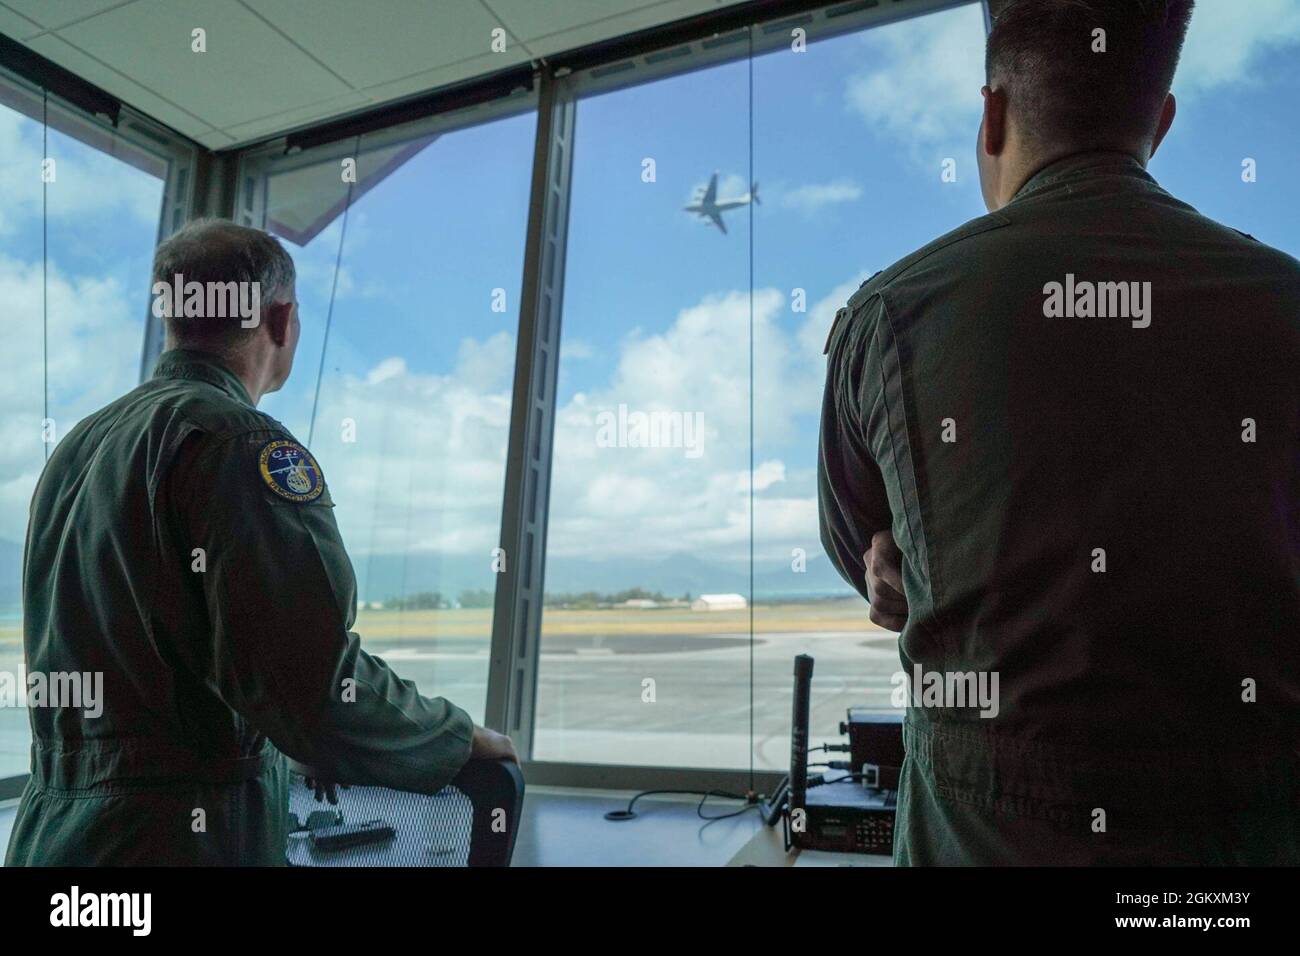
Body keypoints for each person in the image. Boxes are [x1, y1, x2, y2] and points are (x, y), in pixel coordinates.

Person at [819, 0, 1300, 865]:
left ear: (992, 114)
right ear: (1161, 121)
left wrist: (899, 551)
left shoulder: (889, 314)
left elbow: (862, 550)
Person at [5, 218, 516, 866]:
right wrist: (456, 737)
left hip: (54, 841)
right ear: (281, 321)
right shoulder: (239, 443)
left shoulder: (78, 450)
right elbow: (312, 687)